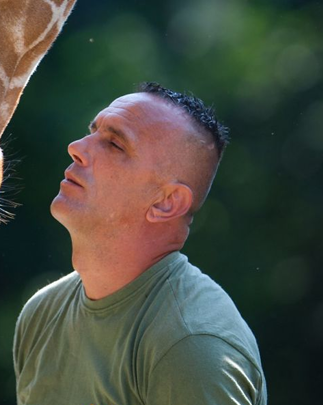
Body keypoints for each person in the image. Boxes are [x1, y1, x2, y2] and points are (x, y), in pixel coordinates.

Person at [14, 82, 266, 404]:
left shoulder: (189, 344)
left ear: (166, 203)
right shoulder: (42, 314)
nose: (76, 147)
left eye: (115, 144)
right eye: (92, 131)